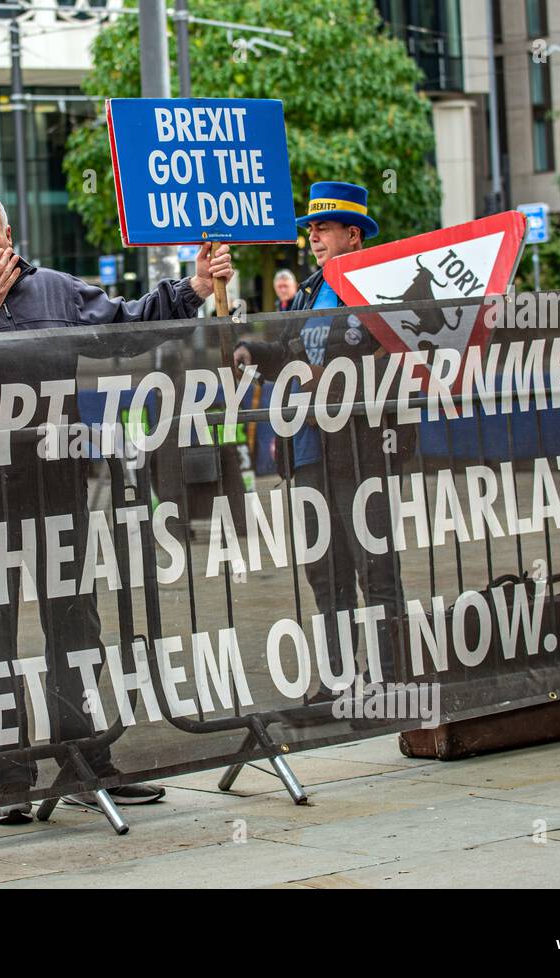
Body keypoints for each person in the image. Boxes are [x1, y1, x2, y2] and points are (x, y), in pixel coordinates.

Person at [0, 191, 232, 824]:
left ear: (9, 235)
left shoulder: (53, 290)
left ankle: (85, 764)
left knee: (75, 625)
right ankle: (11, 778)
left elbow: (124, 326)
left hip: (54, 484)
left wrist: (190, 287)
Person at [233, 182, 403, 703]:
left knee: (373, 566)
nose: (313, 238)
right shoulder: (308, 291)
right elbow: (288, 354)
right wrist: (248, 348)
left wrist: (325, 375)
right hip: (306, 450)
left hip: (361, 447)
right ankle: (337, 679)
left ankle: (388, 677)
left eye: (323, 228)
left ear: (354, 234)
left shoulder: (380, 288)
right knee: (325, 572)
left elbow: (397, 357)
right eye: (310, 230)